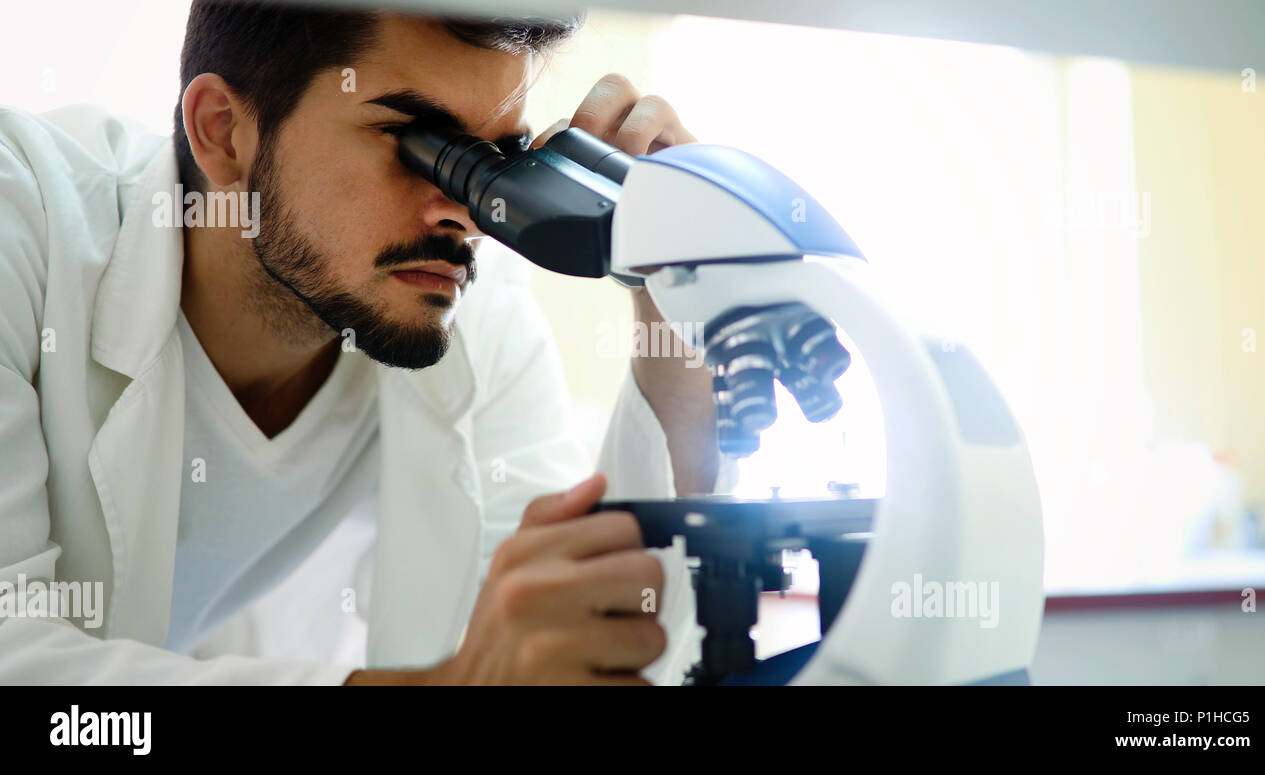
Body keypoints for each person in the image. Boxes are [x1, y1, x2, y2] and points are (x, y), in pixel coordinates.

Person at [0, 1, 723, 685]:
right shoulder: (23, 224)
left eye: (494, 159)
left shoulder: (474, 315)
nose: (465, 215)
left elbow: (587, 642)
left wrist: (674, 308)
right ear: (223, 130)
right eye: (417, 142)